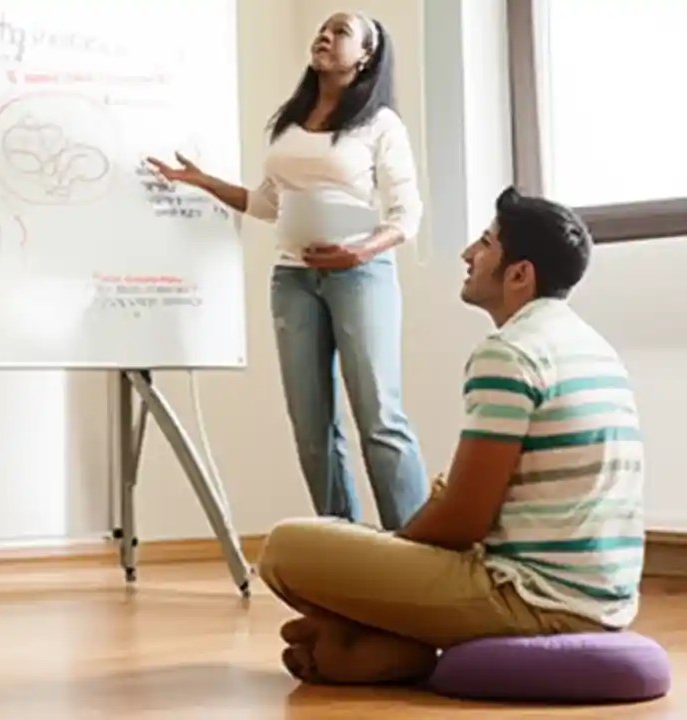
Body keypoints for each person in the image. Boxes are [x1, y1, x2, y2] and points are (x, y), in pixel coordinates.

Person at [257, 187, 644, 684]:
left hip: (530, 597)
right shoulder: (592, 347)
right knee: (366, 544)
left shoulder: (511, 353)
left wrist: (395, 552)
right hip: (602, 597)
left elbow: (464, 521)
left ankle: (367, 638)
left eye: (485, 244)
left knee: (286, 548)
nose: (468, 255)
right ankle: (376, 643)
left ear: (519, 274)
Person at [147, 11, 427, 530]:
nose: (325, 35)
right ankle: (342, 545)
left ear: (365, 56)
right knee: (311, 427)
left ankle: (416, 545)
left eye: (340, 31)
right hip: (292, 280)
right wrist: (203, 181)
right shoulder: (290, 121)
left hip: (361, 276)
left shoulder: (379, 124)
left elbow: (406, 215)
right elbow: (267, 203)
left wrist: (360, 252)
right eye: (323, 28)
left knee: (379, 418)